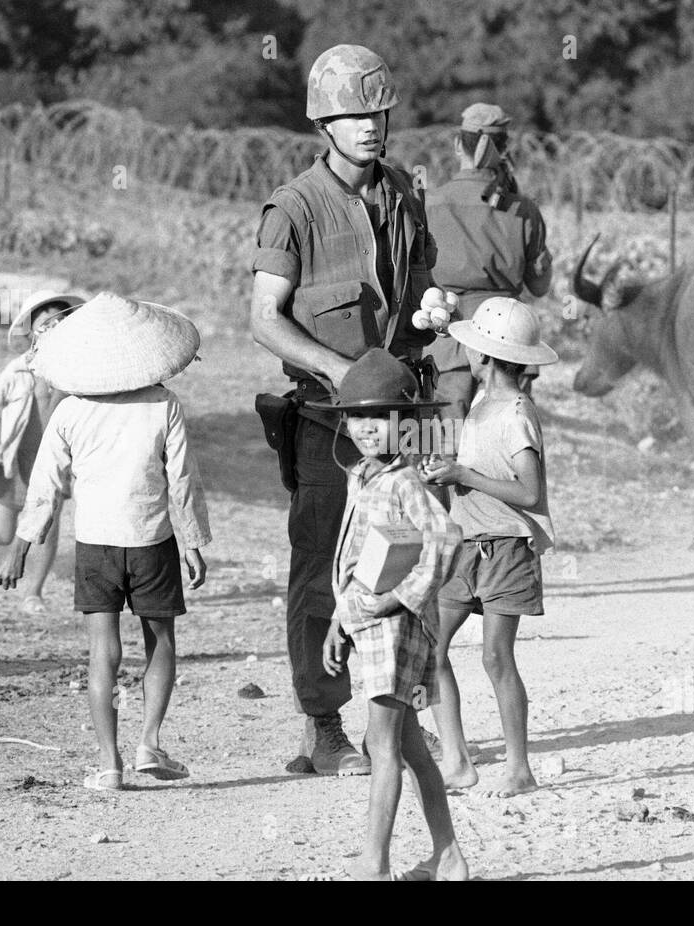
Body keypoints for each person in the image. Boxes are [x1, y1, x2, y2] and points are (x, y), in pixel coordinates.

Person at [249, 43, 455, 776]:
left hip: (401, 412)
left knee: (401, 561)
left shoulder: (403, 191)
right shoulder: (293, 207)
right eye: (351, 114)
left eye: (378, 111)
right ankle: (323, 726)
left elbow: (423, 277)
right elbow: (265, 318)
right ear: (322, 123)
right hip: (325, 417)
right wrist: (344, 371)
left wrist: (432, 309)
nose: (369, 125)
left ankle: (392, 722)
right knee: (322, 572)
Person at [0, 292, 211, 792]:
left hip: (96, 545)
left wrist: (21, 547)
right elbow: (182, 480)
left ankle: (109, 764)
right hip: (152, 541)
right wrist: (193, 543)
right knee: (161, 641)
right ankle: (149, 743)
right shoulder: (163, 404)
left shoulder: (70, 411)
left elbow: (45, 486)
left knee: (102, 654)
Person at [312, 349, 467, 880]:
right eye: (357, 417)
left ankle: (373, 865)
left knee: (380, 742)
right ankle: (447, 856)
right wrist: (339, 617)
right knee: (404, 744)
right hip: (369, 623)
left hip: (396, 626)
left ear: (405, 425)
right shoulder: (361, 476)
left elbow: (446, 537)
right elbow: (354, 557)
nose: (367, 429)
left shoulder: (405, 481)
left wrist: (402, 597)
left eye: (380, 418)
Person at [420, 298, 558, 797]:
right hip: (467, 543)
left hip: (505, 548)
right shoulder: (482, 405)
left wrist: (462, 475)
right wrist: (449, 473)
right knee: (430, 648)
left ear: (484, 358)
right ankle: (456, 759)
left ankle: (519, 768)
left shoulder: (517, 414)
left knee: (496, 657)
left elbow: (528, 492)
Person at [426, 103, 553, 420]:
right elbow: (540, 285)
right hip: (508, 341)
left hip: (447, 333)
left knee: (445, 446)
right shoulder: (523, 209)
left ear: (458, 145)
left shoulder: (428, 205)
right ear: (504, 148)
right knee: (507, 442)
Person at [0, 291, 84, 611]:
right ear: (31, 330)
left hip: (56, 464)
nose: (52, 328)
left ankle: (33, 592)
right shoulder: (18, 370)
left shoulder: (78, 374)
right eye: (44, 323)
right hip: (16, 464)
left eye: (60, 322)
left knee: (47, 525)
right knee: (2, 535)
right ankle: (8, 554)